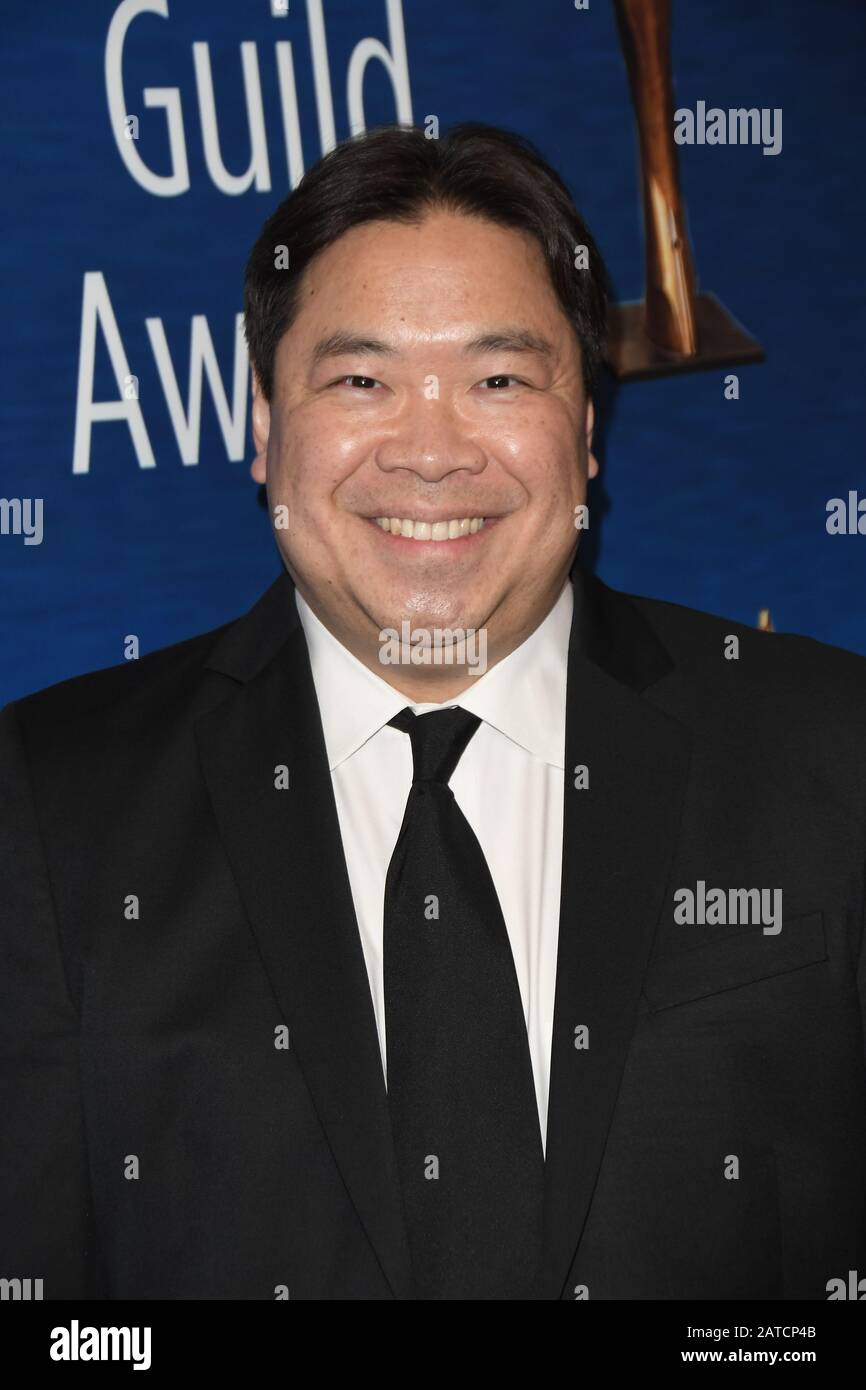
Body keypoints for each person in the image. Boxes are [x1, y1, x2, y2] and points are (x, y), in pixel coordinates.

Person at [2, 122, 865, 1302]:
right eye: (360, 380)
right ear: (264, 425)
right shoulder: (48, 803)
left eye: (498, 379)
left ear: (586, 429)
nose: (428, 450)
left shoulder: (831, 752)